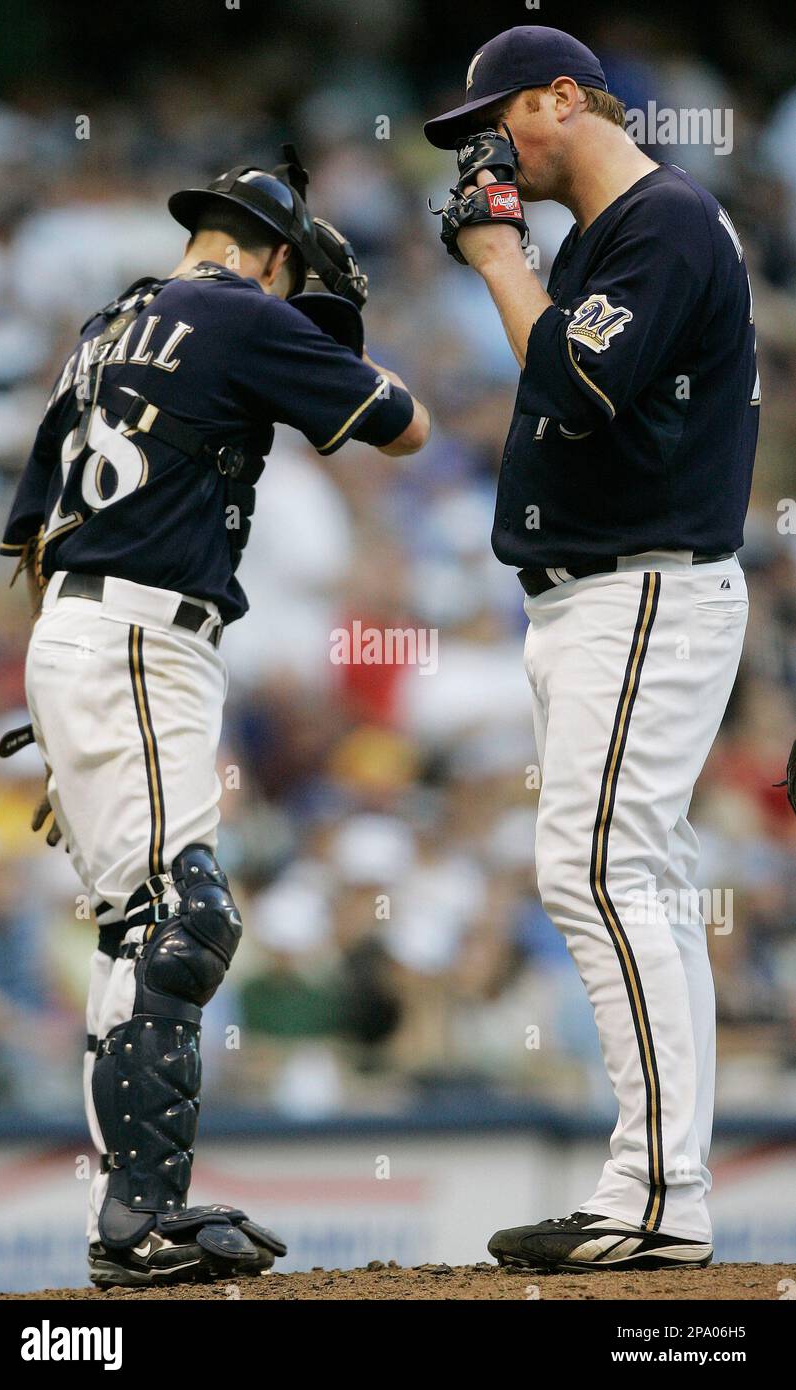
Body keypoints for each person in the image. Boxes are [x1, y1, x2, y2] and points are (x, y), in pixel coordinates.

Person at [0, 149, 430, 1288]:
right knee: (180, 920)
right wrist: (337, 339)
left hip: (84, 633)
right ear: (273, 257)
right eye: (296, 282)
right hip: (142, 639)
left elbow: (33, 537)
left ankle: (125, 1218)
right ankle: (144, 1218)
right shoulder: (239, 309)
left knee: (133, 929)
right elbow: (407, 426)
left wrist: (62, 712)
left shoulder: (104, 330)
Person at [425, 25, 758, 1271]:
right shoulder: (616, 234)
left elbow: (570, 384)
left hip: (641, 589)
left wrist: (496, 257)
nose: (483, 153)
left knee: (599, 870)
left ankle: (656, 1193)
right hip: (604, 596)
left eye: (494, 122)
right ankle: (665, 1187)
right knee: (639, 883)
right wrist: (519, 257)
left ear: (563, 97)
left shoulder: (662, 220)